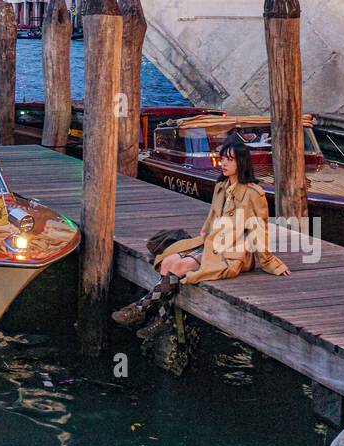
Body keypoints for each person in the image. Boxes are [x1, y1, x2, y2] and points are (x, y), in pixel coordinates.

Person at [112, 134, 290, 333]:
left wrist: (269, 262)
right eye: (222, 158)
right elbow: (210, 220)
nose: (223, 163)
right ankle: (162, 321)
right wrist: (199, 241)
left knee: (180, 265)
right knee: (168, 261)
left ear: (241, 162)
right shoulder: (221, 187)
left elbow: (260, 231)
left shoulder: (254, 193)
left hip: (233, 253)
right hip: (209, 245)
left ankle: (139, 309)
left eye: (229, 160)